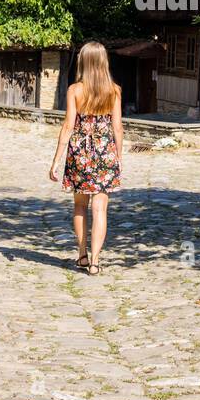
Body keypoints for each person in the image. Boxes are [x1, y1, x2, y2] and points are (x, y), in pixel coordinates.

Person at [49, 41, 123, 274]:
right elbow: (118, 128)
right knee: (100, 209)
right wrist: (119, 158)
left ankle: (81, 254)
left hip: (80, 154)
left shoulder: (75, 90)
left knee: (80, 207)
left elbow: (68, 126)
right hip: (105, 153)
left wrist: (56, 160)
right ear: (103, 62)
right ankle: (95, 261)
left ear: (83, 62)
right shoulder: (114, 90)